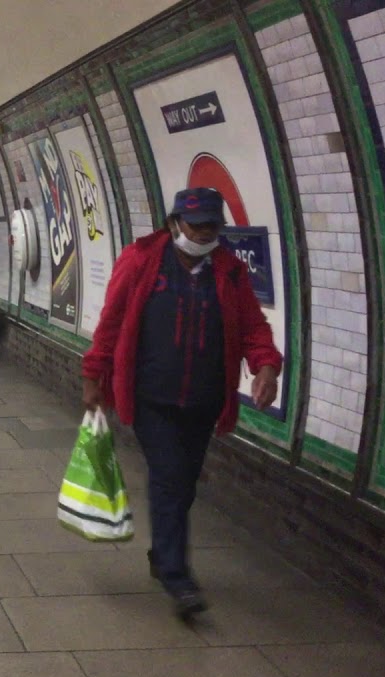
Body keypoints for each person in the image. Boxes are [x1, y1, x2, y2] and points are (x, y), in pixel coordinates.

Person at [81, 187, 282, 618]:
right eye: (196, 225)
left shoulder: (228, 271)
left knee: (185, 482)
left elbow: (253, 327)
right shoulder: (141, 261)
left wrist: (266, 367)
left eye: (212, 226)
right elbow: (111, 321)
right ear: (175, 224)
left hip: (204, 400)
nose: (205, 233)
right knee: (170, 477)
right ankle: (177, 577)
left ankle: (162, 553)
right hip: (151, 397)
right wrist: (93, 374)